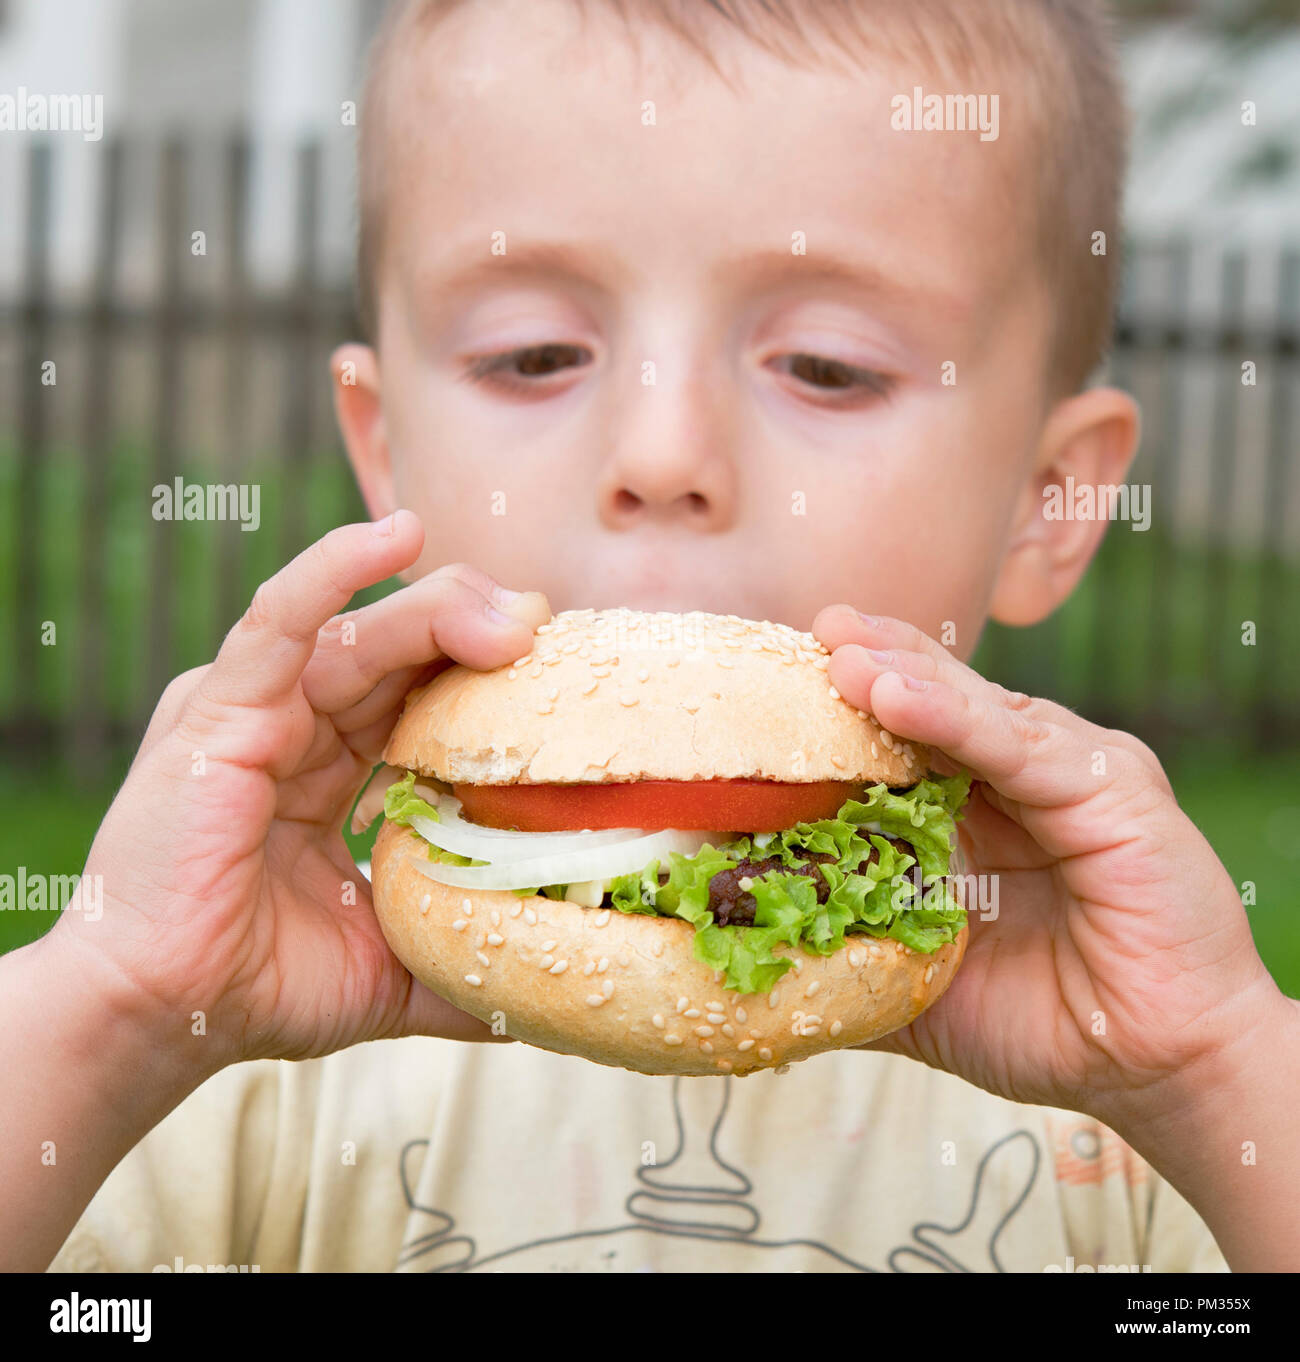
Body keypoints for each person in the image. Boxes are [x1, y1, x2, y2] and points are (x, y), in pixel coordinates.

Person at [8, 0, 1296, 1273]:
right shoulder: (231, 1071)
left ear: (1049, 503)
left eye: (830, 367)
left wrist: (1214, 1065)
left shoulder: (1136, 1123)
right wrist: (117, 998)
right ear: (384, 453)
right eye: (534, 354)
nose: (662, 452)